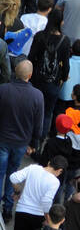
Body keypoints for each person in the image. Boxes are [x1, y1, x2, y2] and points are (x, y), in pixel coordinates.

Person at [0, 62, 44, 219]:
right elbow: (38, 125)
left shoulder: (3, 90)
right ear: (30, 75)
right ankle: (7, 209)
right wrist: (34, 144)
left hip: (3, 139)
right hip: (21, 142)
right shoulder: (37, 96)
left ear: (15, 73)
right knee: (13, 173)